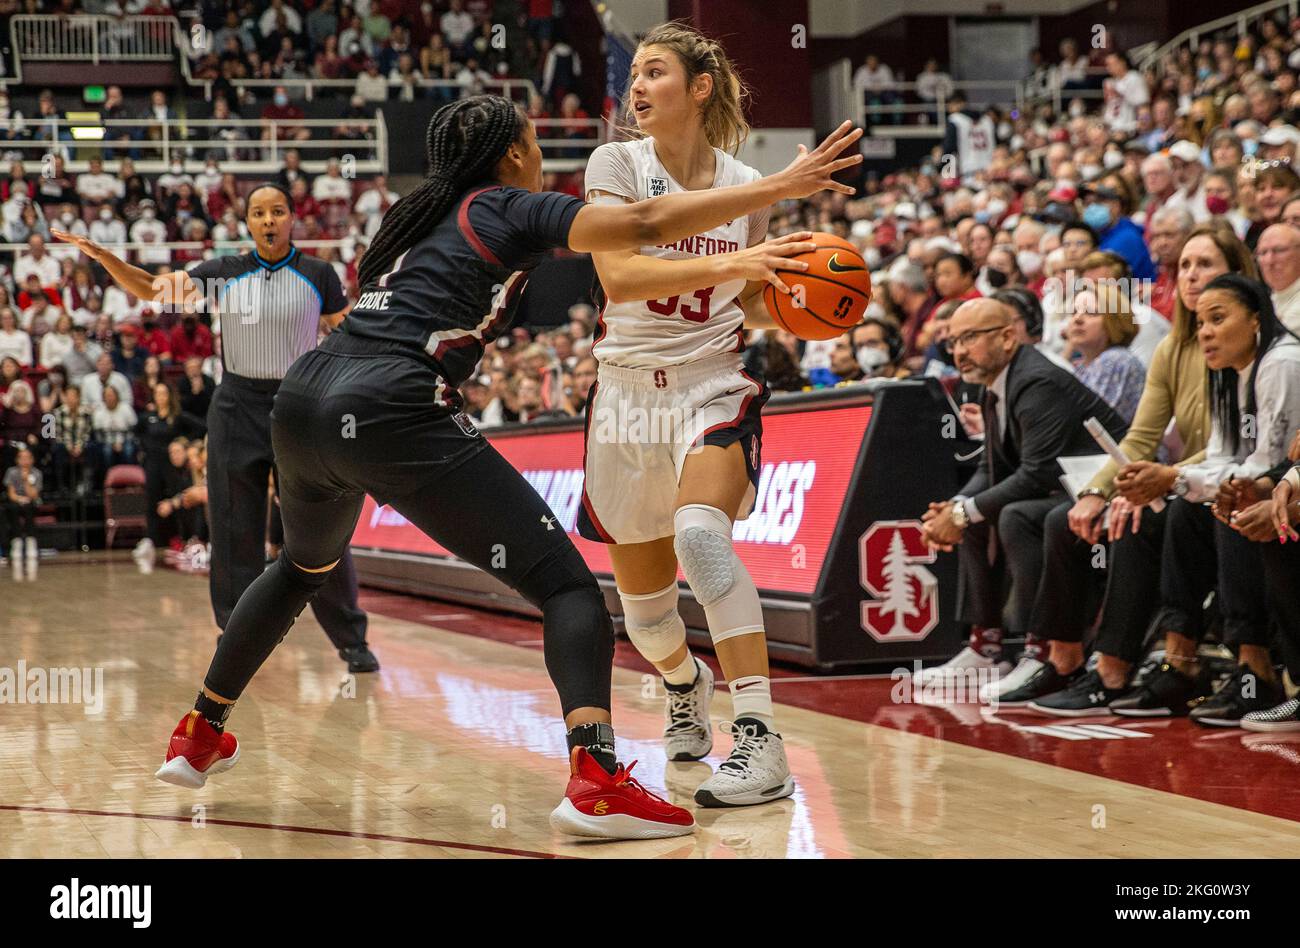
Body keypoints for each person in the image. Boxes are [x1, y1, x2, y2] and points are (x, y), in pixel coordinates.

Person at [122, 94, 857, 839]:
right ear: (511, 154)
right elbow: (637, 227)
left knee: (300, 568)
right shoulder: (507, 205)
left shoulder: (410, 216)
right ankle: (597, 778)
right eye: (536, 142)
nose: (542, 158)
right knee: (569, 588)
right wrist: (775, 188)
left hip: (305, 397)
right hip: (392, 403)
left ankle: (200, 732)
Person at [582, 22, 844, 808]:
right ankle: (684, 684)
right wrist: (742, 255)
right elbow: (622, 275)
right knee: (649, 623)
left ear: (699, 87)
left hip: (710, 381)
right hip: (625, 398)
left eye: (654, 72)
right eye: (634, 75)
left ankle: (760, 739)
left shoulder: (742, 180)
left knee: (703, 533)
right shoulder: (615, 163)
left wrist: (811, 302)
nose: (636, 87)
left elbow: (749, 303)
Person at [55, 184, 378, 677]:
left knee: (321, 524)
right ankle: (237, 635)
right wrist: (107, 260)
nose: (268, 220)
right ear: (246, 223)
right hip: (236, 407)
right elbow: (151, 289)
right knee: (233, 529)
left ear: (292, 218)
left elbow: (352, 333)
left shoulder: (319, 274)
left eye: (277, 211)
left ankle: (352, 640)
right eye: (257, 213)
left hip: (299, 408)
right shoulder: (223, 272)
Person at [916, 297, 1127, 692]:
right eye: (954, 342)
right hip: (1066, 489)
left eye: (971, 338)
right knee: (978, 517)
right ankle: (986, 646)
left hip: (1108, 489)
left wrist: (961, 514)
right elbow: (990, 467)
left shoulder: (1036, 380)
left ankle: (1040, 647)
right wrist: (955, 509)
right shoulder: (991, 383)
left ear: (1008, 337)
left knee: (1016, 514)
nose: (960, 351)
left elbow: (1034, 473)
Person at [4, 446, 41, 581]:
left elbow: (34, 494)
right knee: (13, 509)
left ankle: (31, 542)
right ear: (17, 460)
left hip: (31, 501)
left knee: (30, 508)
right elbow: (11, 493)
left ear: (32, 460)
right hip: (16, 501)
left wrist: (26, 480)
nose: (25, 461)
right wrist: (20, 499)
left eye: (28, 458)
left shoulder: (36, 473)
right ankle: (17, 542)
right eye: (22, 458)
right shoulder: (12, 472)